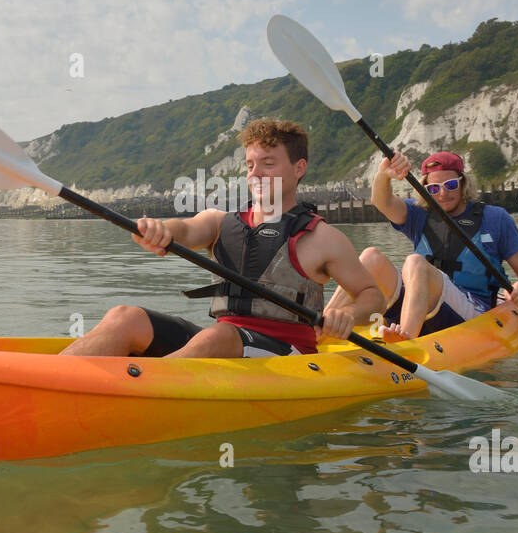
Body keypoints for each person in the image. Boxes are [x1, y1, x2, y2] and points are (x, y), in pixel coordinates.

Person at [62, 119, 384, 359]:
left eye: (268, 164)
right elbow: (185, 231)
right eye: (250, 165)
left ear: (298, 168)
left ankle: (130, 394)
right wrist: (161, 230)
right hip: (224, 342)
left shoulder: (323, 237)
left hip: (288, 353)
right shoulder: (220, 223)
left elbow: (373, 297)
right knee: (125, 317)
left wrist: (347, 316)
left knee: (218, 337)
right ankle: (55, 382)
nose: (255, 174)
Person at [326, 150, 518, 340]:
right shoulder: (419, 214)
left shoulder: (495, 218)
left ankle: (406, 340)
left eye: (451, 185)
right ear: (425, 188)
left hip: (475, 310)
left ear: (464, 183)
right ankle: (323, 324)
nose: (443, 193)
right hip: (425, 304)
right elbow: (382, 202)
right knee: (370, 257)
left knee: (415, 262)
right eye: (434, 188)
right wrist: (384, 174)